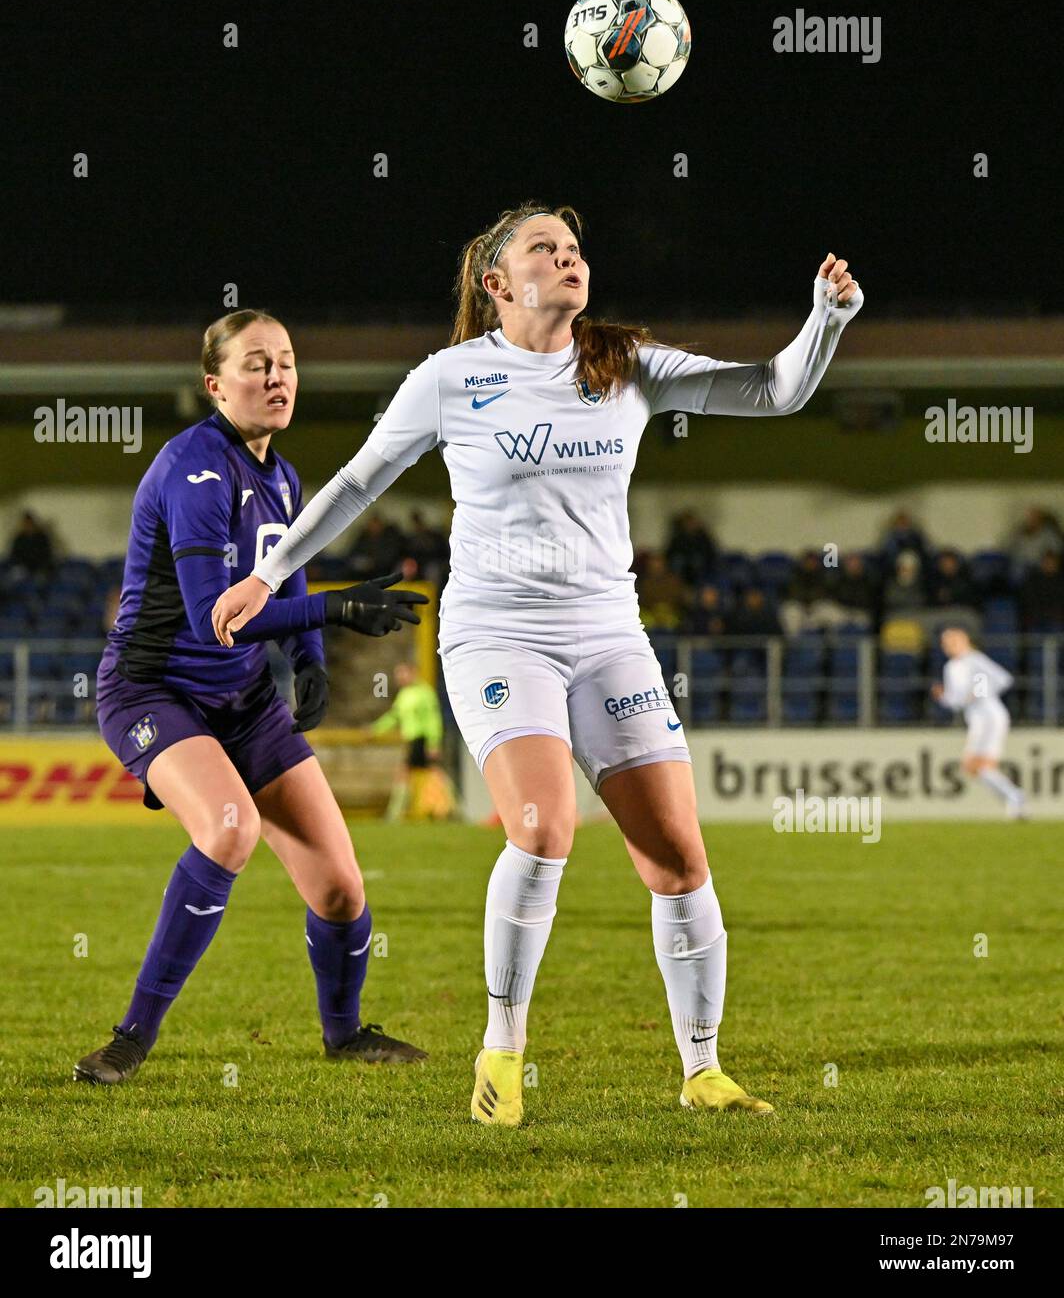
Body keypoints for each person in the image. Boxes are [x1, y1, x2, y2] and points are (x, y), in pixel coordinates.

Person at [212, 203, 864, 1124]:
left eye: (575, 249)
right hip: (497, 631)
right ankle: (503, 1052)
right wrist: (267, 576)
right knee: (543, 823)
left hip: (608, 633)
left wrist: (826, 320)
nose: (568, 260)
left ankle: (703, 1070)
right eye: (544, 249)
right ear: (496, 284)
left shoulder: (623, 363)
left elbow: (774, 390)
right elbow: (360, 479)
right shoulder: (451, 378)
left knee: (678, 860)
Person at [75, 310, 429, 1085]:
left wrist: (305, 658)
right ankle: (131, 1038)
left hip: (240, 701)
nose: (277, 377)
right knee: (229, 830)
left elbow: (285, 568)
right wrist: (336, 611)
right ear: (215, 385)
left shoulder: (283, 473)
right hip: (152, 692)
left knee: (339, 889)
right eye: (257, 364)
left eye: (288, 362)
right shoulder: (193, 469)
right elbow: (222, 613)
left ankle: (345, 1034)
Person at [931, 627, 1027, 819]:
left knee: (976, 765)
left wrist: (978, 692)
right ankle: (1014, 798)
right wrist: (943, 697)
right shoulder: (951, 667)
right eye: (945, 643)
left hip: (990, 717)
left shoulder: (974, 660)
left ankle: (1014, 798)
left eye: (953, 641)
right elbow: (957, 702)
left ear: (965, 641)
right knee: (976, 767)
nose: (948, 646)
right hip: (977, 719)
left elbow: (1003, 680)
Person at [371, 660, 456, 820]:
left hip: (422, 739)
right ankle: (450, 809)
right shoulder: (404, 695)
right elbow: (393, 716)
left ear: (413, 673)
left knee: (406, 773)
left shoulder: (425, 693)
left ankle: (394, 813)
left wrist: (433, 744)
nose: (400, 677)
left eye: (403, 673)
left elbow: (433, 720)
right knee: (433, 773)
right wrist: (376, 729)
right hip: (412, 740)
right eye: (398, 674)